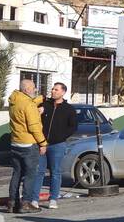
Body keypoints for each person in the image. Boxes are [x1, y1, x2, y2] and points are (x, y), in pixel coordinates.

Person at [8, 79, 47, 213]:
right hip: (28, 143)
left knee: (17, 173)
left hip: (15, 142)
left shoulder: (14, 100)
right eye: (34, 88)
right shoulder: (28, 105)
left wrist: (40, 99)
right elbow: (34, 126)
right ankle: (26, 203)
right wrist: (43, 143)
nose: (35, 90)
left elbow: (27, 104)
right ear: (27, 90)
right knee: (30, 175)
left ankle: (12, 202)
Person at [37, 82, 77, 209]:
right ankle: (33, 199)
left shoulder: (69, 109)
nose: (53, 91)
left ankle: (53, 198)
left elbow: (73, 127)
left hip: (57, 145)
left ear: (63, 92)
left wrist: (61, 136)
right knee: (39, 172)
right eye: (52, 89)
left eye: (56, 89)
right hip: (42, 144)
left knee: (55, 172)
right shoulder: (45, 105)